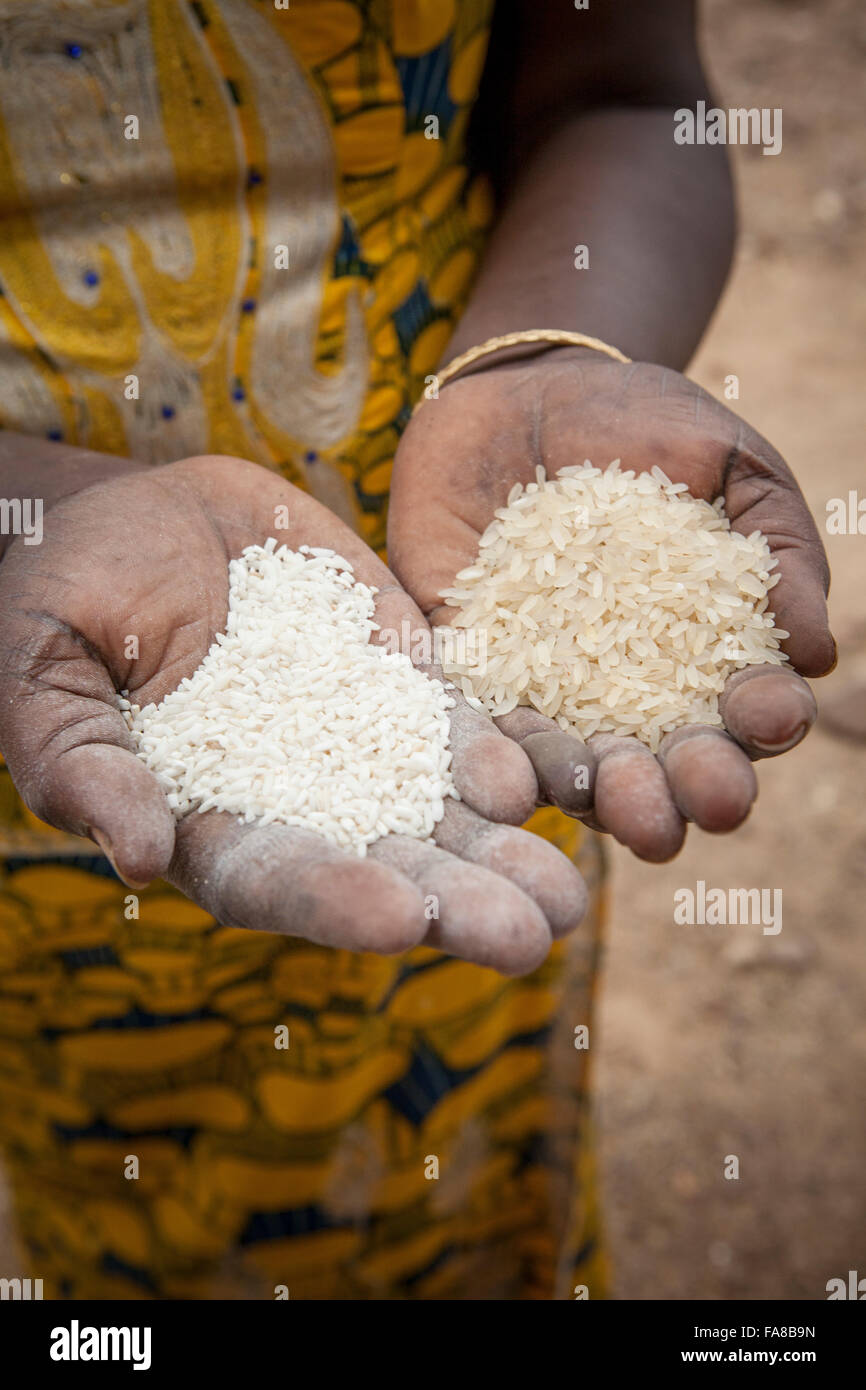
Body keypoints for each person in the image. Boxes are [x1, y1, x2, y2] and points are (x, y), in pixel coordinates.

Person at [0, 0, 832, 1300]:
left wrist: (547, 353)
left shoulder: (491, 652)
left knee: (477, 1063)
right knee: (133, 1199)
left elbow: (621, 92)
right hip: (49, 681)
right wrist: (25, 519)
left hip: (462, 620)